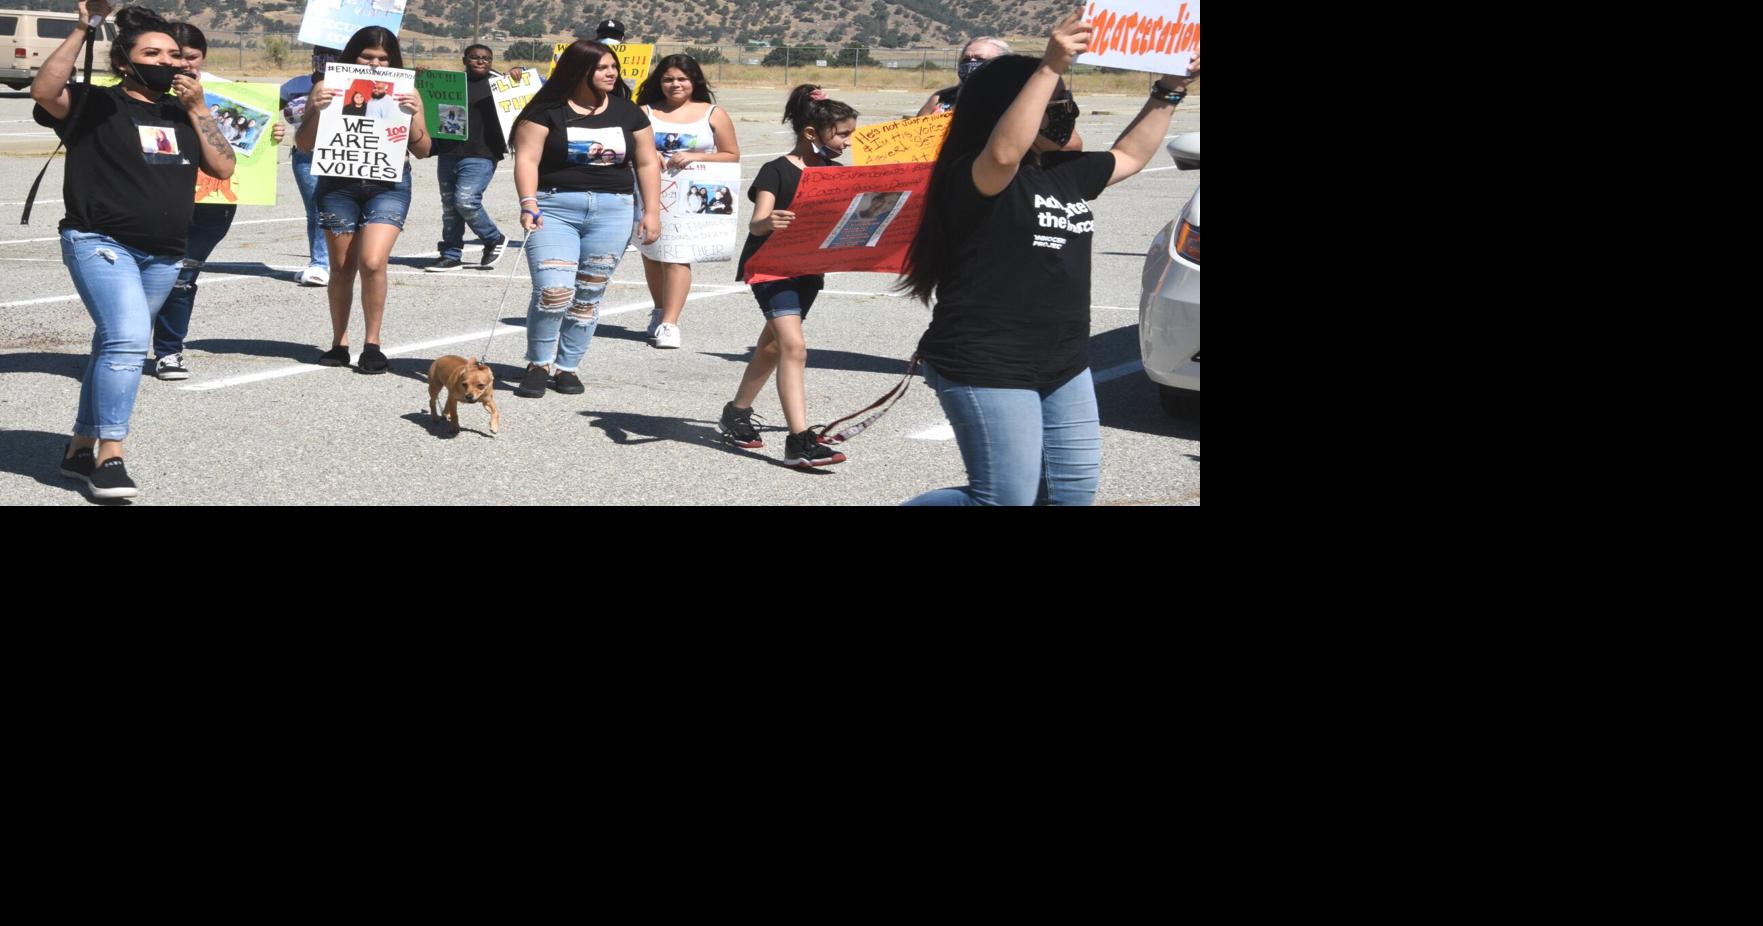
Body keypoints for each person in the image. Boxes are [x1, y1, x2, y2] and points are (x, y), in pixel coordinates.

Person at [899, 16, 1199, 506]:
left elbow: (1130, 154)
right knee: (1001, 499)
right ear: (1010, 109)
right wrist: (1050, 64)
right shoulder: (975, 175)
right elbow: (1002, 153)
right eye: (1054, 102)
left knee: (1069, 496)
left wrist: (1168, 90)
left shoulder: (1065, 173)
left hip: (1063, 362)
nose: (1064, 111)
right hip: (988, 362)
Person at [32, 1, 234, 499]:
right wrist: (85, 27)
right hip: (99, 241)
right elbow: (44, 90)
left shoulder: (182, 111)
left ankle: (80, 446)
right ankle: (111, 456)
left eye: (173, 55)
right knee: (126, 341)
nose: (167, 62)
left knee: (112, 347)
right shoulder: (95, 103)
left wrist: (199, 107)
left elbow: (224, 167)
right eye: (153, 53)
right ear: (124, 61)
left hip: (163, 252)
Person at [509, 39, 660, 399]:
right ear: (580, 71)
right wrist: (527, 203)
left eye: (613, 67)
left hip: (614, 211)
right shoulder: (546, 111)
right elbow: (527, 159)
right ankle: (538, 363)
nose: (612, 73)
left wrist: (651, 211)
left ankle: (568, 367)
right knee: (553, 290)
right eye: (603, 67)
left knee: (589, 293)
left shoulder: (629, 113)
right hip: (555, 208)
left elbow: (647, 161)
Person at [717, 85, 857, 469]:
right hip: (770, 266)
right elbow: (758, 222)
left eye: (850, 135)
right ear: (812, 134)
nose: (846, 143)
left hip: (807, 269)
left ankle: (737, 412)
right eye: (842, 134)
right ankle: (799, 441)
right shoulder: (776, 171)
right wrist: (771, 221)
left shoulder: (836, 173)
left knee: (774, 347)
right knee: (794, 346)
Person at [151, 20, 289, 383]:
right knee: (143, 274)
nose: (183, 64)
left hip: (211, 202)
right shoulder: (144, 94)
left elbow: (246, 155)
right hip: (153, 197)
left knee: (183, 275)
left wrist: (270, 135)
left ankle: (168, 351)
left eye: (191, 56)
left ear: (204, 57)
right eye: (173, 56)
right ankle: (121, 344)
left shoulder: (231, 97)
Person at [294, 26, 431, 374]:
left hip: (389, 184)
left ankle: (373, 343)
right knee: (342, 268)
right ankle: (340, 342)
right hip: (338, 185)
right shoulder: (326, 87)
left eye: (383, 58)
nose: (375, 63)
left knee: (372, 262)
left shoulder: (406, 91)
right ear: (352, 56)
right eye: (367, 56)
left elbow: (423, 148)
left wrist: (413, 114)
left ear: (394, 61)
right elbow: (304, 144)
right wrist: (317, 111)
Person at [633, 53, 739, 349]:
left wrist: (697, 155)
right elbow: (630, 147)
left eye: (682, 79)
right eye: (668, 79)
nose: (675, 84)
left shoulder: (713, 113)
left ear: (694, 81)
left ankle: (670, 323)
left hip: (692, 198)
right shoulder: (644, 111)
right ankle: (658, 310)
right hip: (650, 193)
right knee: (652, 253)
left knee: (679, 254)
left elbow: (731, 153)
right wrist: (646, 154)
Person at [424, 44, 509, 273]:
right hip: (449, 152)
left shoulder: (500, 84)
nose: (481, 61)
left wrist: (517, 74)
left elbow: (528, 92)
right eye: (475, 57)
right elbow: (429, 102)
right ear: (465, 60)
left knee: (466, 201)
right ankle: (451, 255)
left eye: (486, 58)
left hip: (482, 153)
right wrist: (422, 77)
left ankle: (493, 238)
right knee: (450, 207)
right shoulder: (451, 84)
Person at [280, 45, 341, 287]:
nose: (325, 61)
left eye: (333, 57)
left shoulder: (352, 84)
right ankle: (320, 263)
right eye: (321, 56)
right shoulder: (294, 86)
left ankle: (330, 261)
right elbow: (261, 110)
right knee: (316, 209)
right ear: (313, 58)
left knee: (335, 208)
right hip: (306, 155)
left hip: (340, 153)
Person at [916, 37, 1010, 117]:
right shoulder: (941, 99)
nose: (971, 63)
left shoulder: (1013, 103)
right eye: (966, 59)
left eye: (980, 59)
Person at [592, 18, 633, 99]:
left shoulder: (632, 55)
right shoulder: (588, 54)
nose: (608, 39)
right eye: (604, 35)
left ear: (622, 38)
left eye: (614, 35)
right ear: (598, 36)